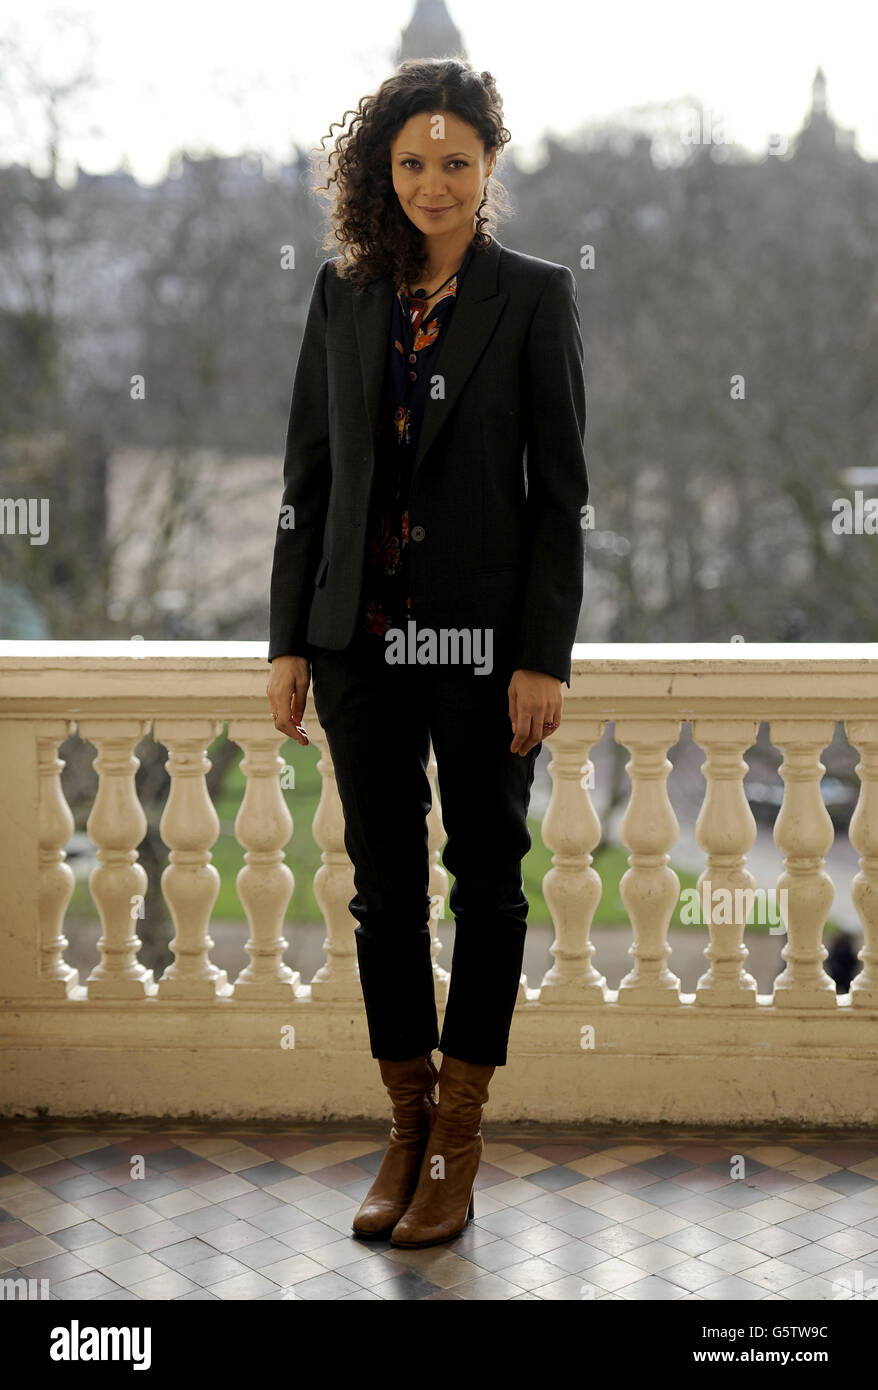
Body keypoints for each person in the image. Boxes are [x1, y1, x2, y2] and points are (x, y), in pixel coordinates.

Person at [266, 58, 587, 1251]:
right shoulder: (343, 294)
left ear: (489, 166)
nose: (433, 182)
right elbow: (307, 479)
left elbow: (559, 497)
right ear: (381, 171)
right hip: (356, 641)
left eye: (455, 162)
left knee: (488, 885)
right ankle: (402, 1130)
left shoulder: (534, 297)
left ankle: (458, 1139)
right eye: (411, 162)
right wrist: (287, 640)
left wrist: (540, 656)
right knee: (381, 894)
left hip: (482, 649)